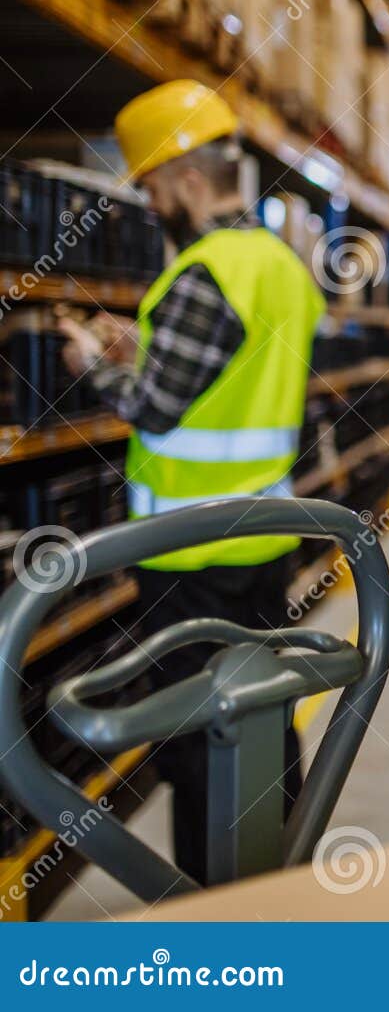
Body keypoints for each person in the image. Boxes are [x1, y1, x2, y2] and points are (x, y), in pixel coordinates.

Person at [59, 79, 326, 882]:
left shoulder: (208, 273)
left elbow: (158, 408)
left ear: (185, 179)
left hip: (189, 554)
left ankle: (211, 913)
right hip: (263, 537)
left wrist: (93, 366)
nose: (149, 205)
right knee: (265, 712)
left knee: (197, 739)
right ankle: (279, 883)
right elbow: (227, 379)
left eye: (149, 187)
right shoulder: (278, 266)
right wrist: (139, 344)